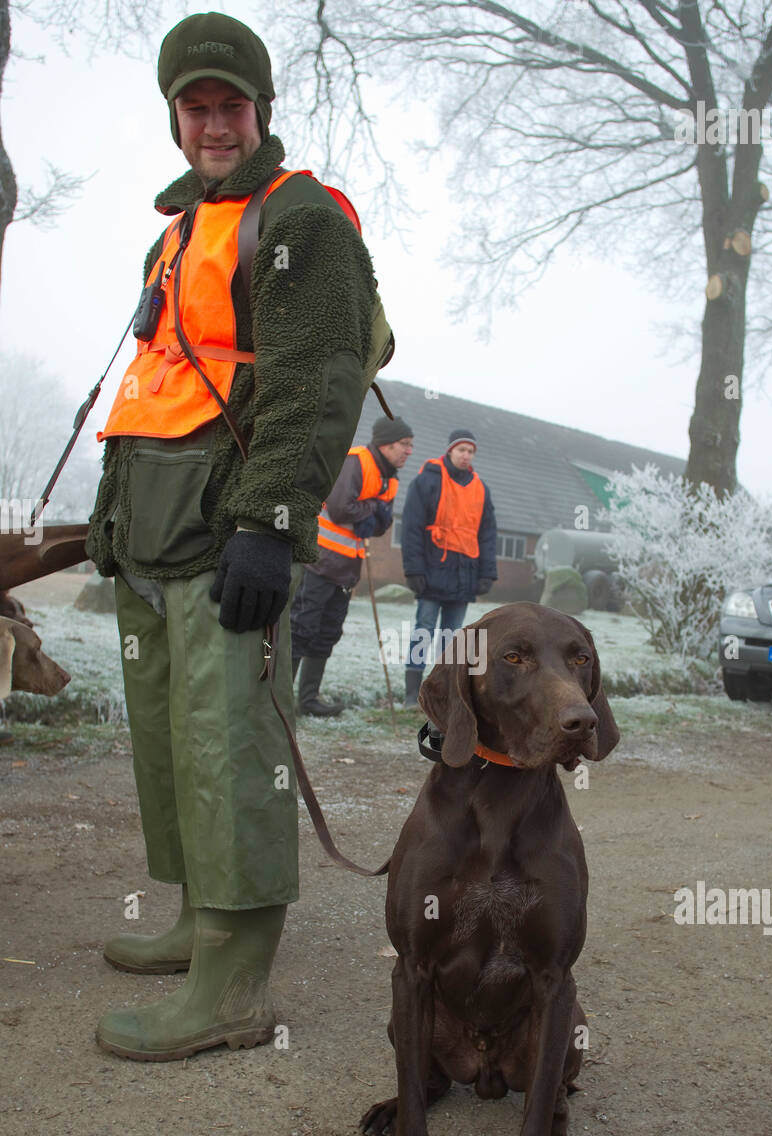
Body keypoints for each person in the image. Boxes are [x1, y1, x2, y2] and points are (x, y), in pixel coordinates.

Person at [83, 12, 386, 1061]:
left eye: (230, 105)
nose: (214, 124)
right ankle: (195, 924)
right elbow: (156, 383)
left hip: (226, 536)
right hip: (156, 530)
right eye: (194, 106)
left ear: (260, 110)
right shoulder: (175, 231)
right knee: (172, 746)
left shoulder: (297, 216)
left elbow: (315, 383)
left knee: (228, 751)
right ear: (174, 117)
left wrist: (268, 526)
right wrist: (110, 516)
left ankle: (234, 986)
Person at [289, 416, 413, 716]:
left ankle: (308, 701)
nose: (408, 451)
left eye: (410, 445)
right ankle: (278, 699)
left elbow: (382, 525)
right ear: (386, 443)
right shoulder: (356, 461)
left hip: (347, 567)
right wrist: (373, 509)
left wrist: (370, 514)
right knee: (302, 629)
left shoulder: (391, 478)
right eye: (404, 445)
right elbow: (341, 508)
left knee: (328, 632)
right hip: (320, 560)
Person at [401, 429, 497, 707]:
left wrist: (487, 573)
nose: (466, 456)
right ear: (450, 450)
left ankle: (445, 694)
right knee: (424, 630)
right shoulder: (426, 481)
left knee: (453, 638)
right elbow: (411, 528)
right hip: (431, 571)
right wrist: (413, 570)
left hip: (464, 575)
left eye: (470, 451)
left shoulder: (481, 489)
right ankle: (412, 694)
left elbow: (488, 534)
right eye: (461, 450)